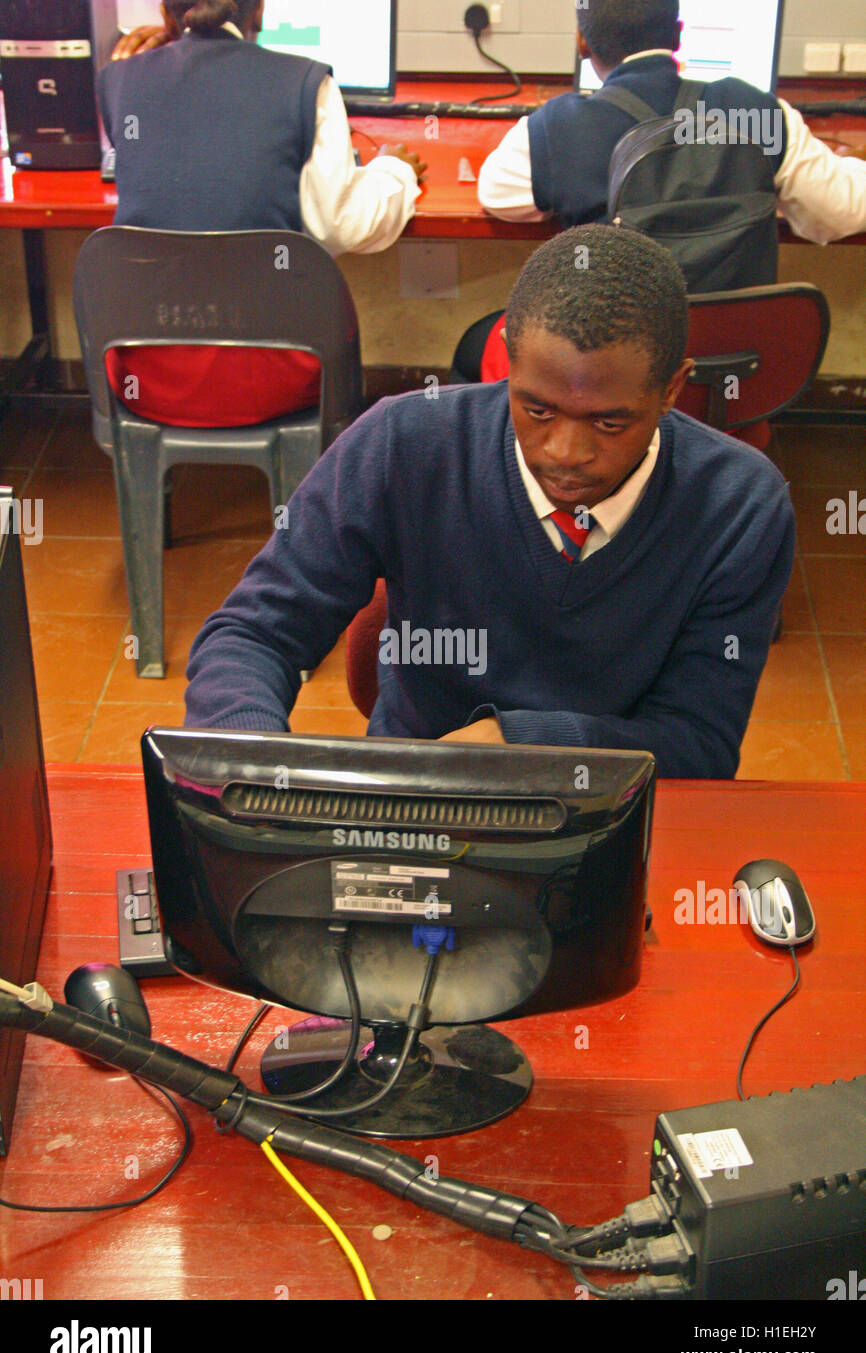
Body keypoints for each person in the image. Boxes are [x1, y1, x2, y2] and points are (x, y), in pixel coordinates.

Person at [184, 223, 796, 780]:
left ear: (672, 389)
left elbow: (699, 745)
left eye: (610, 423)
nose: (565, 451)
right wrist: (253, 768)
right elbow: (252, 635)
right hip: (415, 795)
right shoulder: (405, 443)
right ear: (510, 359)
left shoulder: (740, 507)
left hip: (610, 808)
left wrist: (523, 743)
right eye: (537, 409)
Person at [464, 0, 866, 383]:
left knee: (475, 346)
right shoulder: (759, 112)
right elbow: (839, 212)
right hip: (734, 368)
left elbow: (496, 195)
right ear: (677, 35)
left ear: (581, 43)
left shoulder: (557, 127)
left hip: (609, 377)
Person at [96, 0, 426, 427]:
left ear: (165, 10)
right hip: (276, 380)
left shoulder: (119, 79)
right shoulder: (306, 82)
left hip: (149, 378)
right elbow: (343, 226)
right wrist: (394, 171)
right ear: (259, 11)